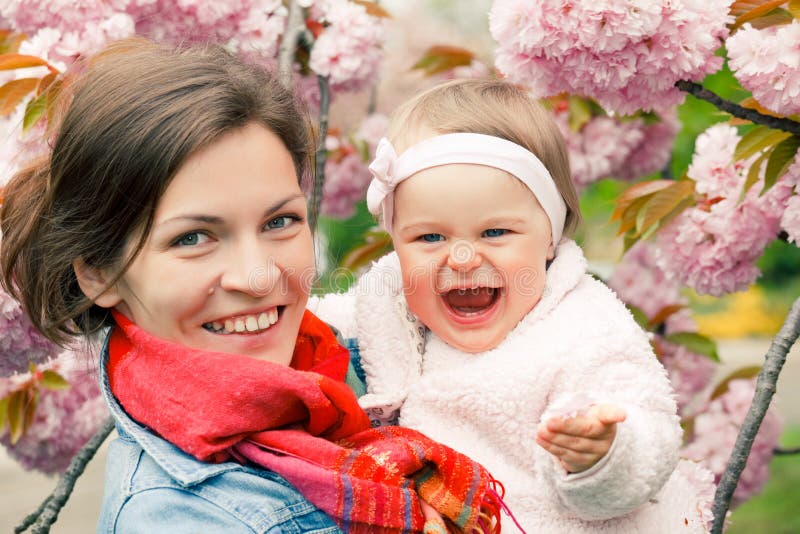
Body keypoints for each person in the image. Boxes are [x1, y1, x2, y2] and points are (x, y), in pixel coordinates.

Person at [0, 41, 505, 534]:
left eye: (279, 221)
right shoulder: (181, 518)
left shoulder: (359, 360)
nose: (257, 276)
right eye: (193, 238)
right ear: (98, 273)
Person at [308, 78, 715, 533]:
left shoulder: (584, 329)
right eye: (430, 237)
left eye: (495, 232)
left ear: (550, 236)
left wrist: (601, 455)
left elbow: (647, 433)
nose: (462, 258)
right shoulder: (387, 301)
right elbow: (312, 324)